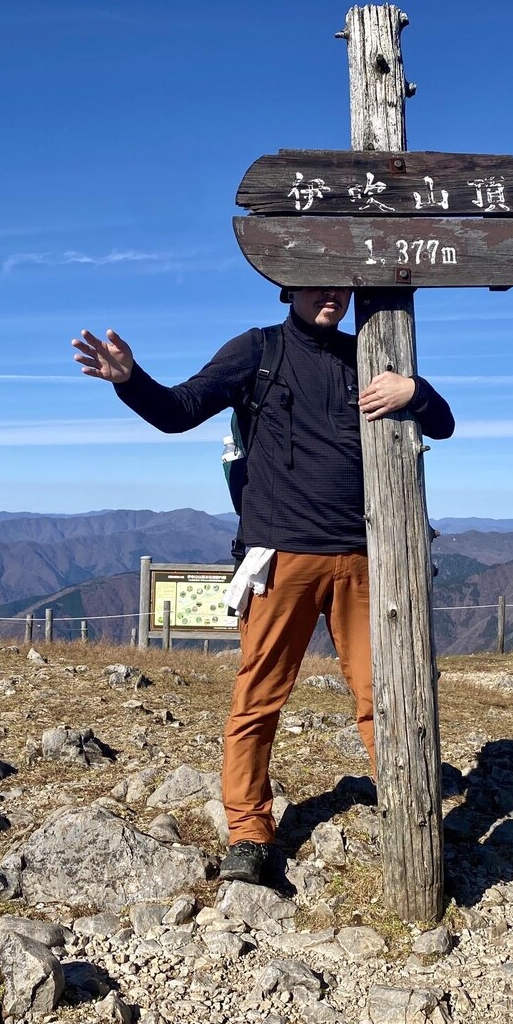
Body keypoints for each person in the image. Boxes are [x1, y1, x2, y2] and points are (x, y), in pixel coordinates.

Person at [72, 286, 455, 885]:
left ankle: (408, 812)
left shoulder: (371, 355)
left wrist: (417, 391)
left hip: (364, 555)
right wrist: (130, 379)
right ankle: (249, 833)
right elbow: (179, 410)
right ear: (287, 286)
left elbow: (445, 423)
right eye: (315, 281)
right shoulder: (259, 351)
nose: (331, 294)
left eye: (340, 284)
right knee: (259, 700)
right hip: (281, 559)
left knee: (384, 693)